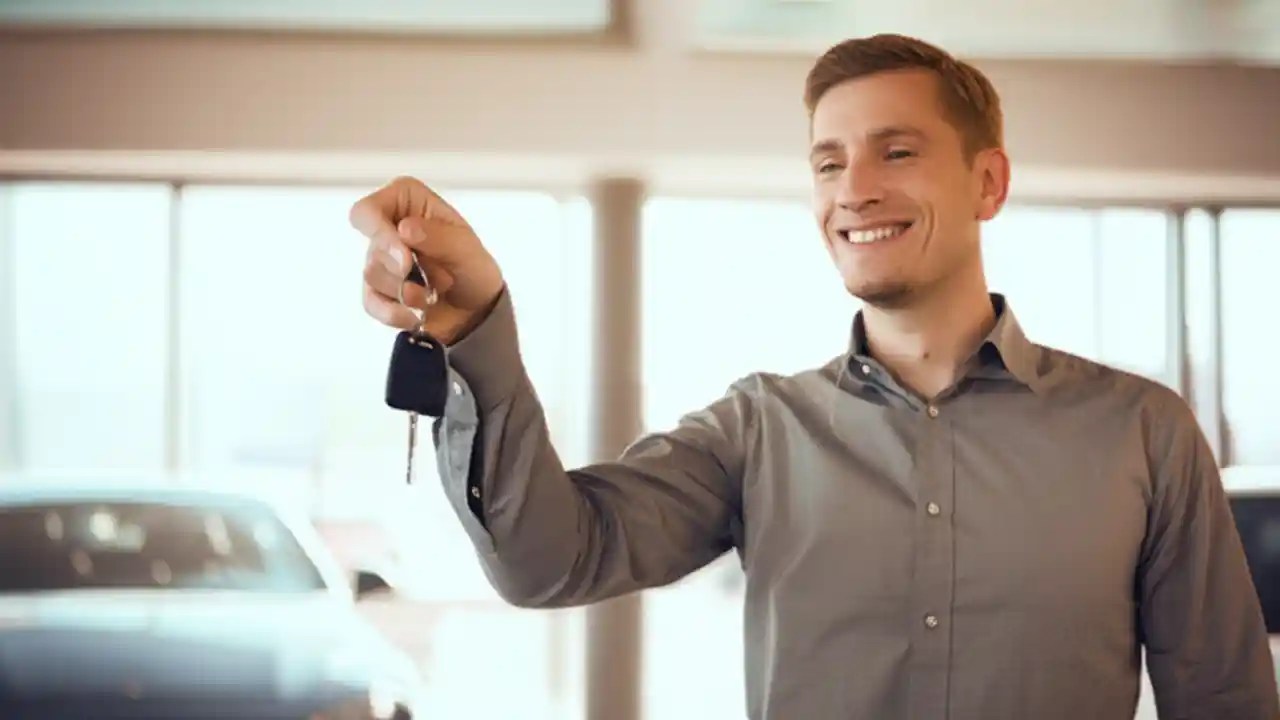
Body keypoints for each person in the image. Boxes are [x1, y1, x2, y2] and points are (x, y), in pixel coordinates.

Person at [350, 33, 1280, 720]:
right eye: (828, 163)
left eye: (897, 152)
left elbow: (1225, 703)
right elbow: (548, 560)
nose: (853, 189)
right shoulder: (757, 431)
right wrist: (473, 329)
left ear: (988, 183)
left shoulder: (1141, 432)